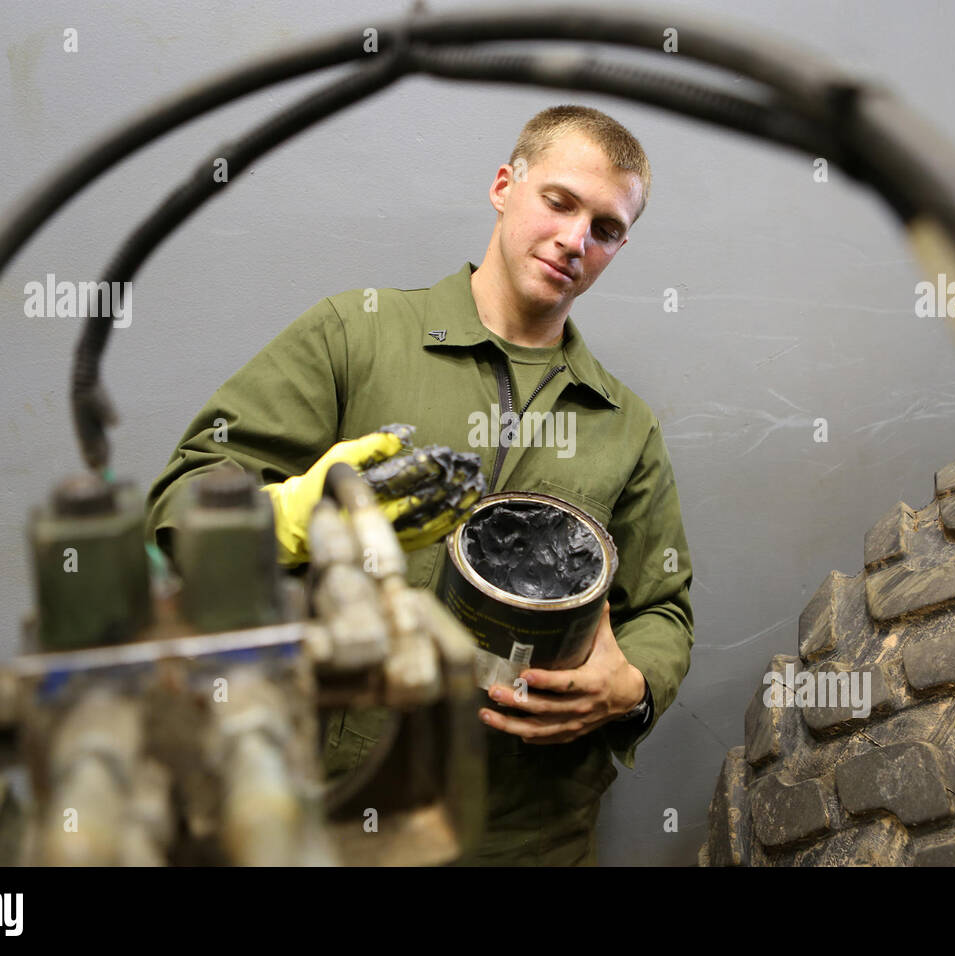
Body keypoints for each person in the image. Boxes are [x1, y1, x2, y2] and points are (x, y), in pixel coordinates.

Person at [145, 105, 694, 865]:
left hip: (526, 831)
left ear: (618, 247)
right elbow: (183, 504)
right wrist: (301, 513)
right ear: (506, 185)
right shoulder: (354, 336)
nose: (575, 239)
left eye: (604, 228)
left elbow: (663, 607)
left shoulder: (623, 424)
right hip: (326, 810)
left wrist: (631, 688)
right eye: (559, 202)